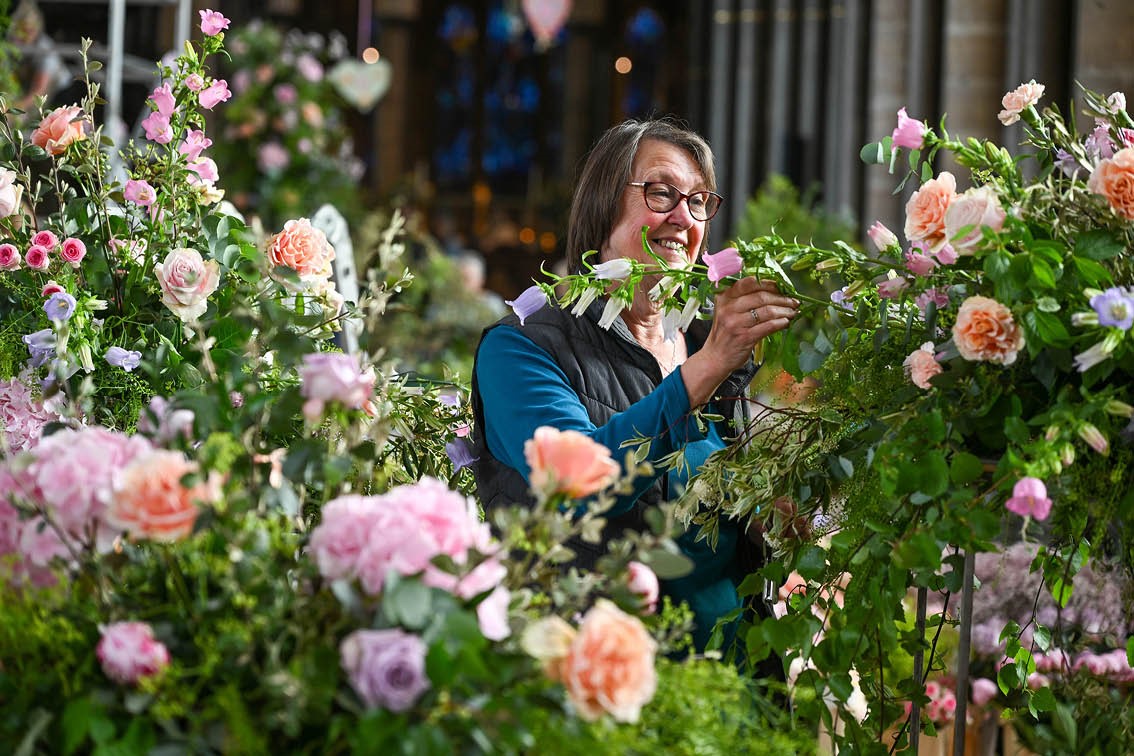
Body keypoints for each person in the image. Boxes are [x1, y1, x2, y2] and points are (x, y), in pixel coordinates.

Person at [469, 118, 800, 653]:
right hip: (605, 671)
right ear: (603, 205)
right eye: (662, 192)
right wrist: (707, 369)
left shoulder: (706, 343)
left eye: (698, 201)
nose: (682, 217)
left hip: (736, 669)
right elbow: (577, 485)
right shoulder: (522, 348)